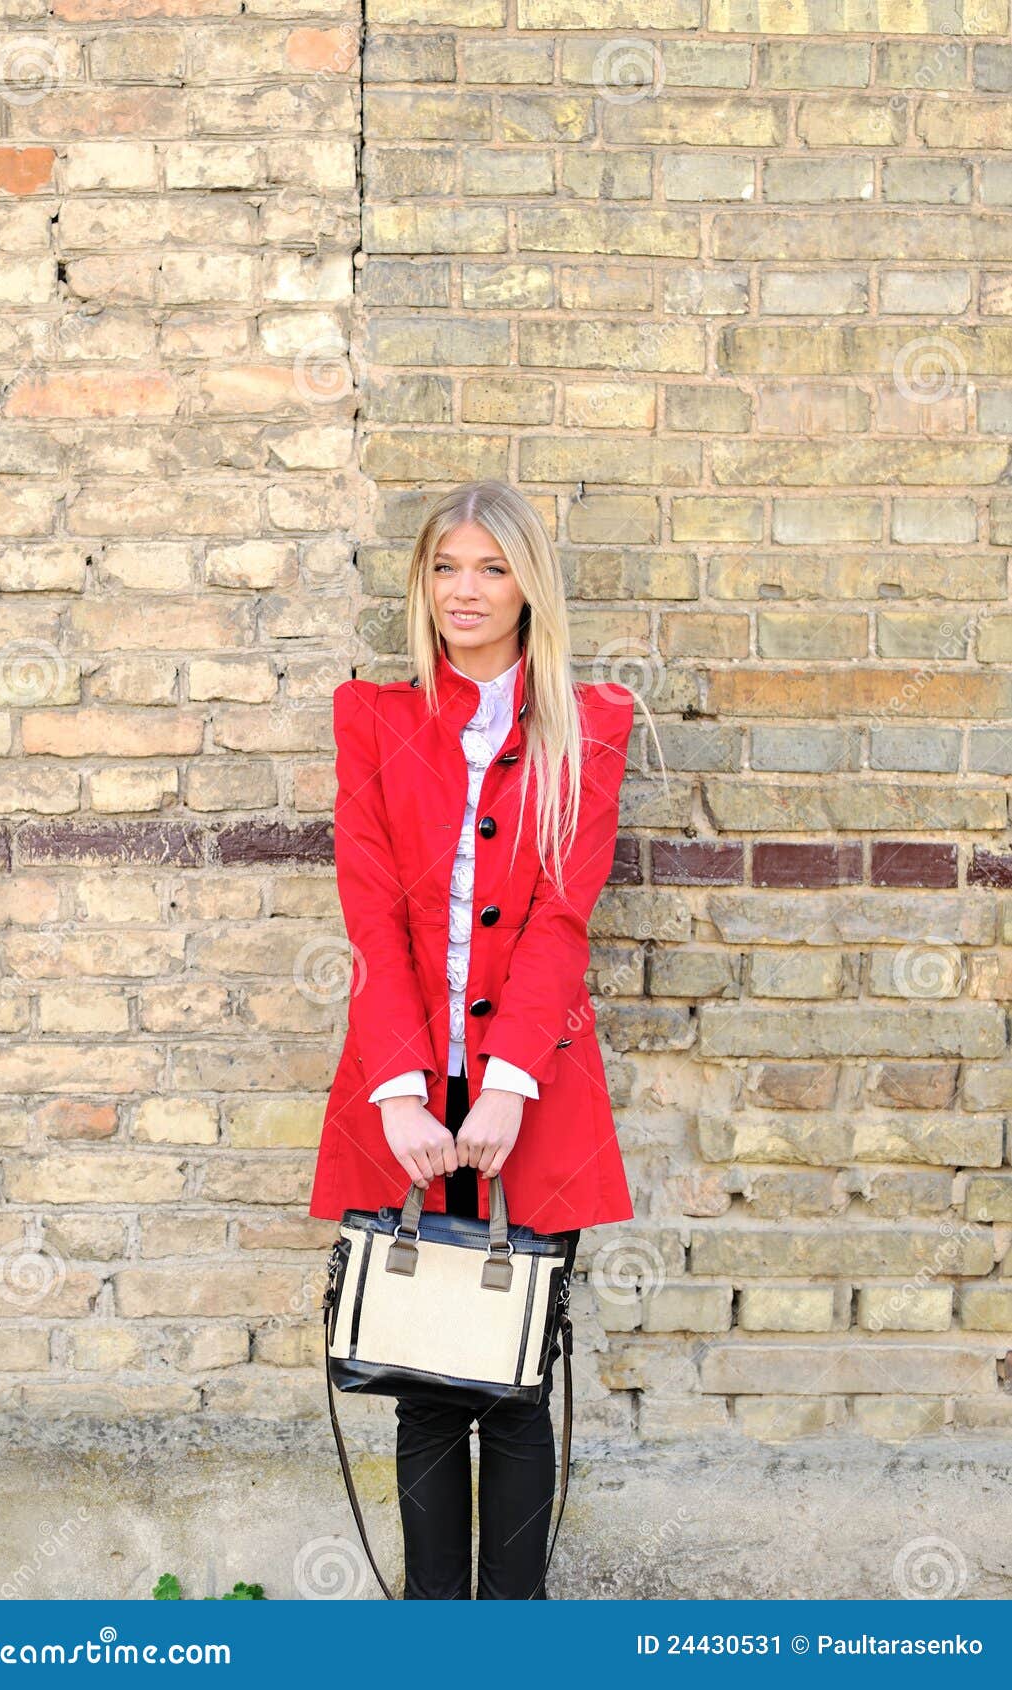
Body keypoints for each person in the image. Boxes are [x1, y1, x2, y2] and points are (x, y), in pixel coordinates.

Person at [309, 478, 668, 1599]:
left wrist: (508, 1084)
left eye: (491, 568)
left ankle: (513, 1644)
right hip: (405, 1092)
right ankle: (435, 1645)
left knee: (516, 1374)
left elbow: (566, 914)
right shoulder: (374, 718)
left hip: (532, 1088)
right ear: (422, 582)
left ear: (528, 586)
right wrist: (402, 1092)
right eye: (447, 567)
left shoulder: (587, 722)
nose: (466, 591)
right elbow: (369, 913)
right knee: (423, 1378)